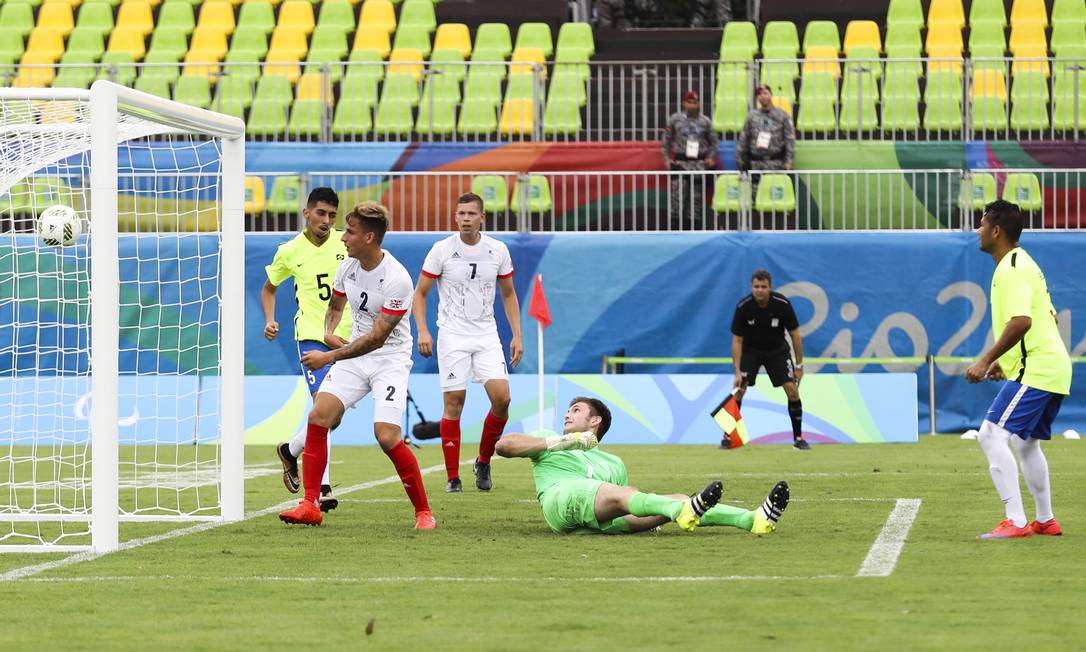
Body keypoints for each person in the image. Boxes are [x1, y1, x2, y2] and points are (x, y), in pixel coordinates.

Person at [278, 201, 436, 529]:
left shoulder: (397, 279)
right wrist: (328, 332)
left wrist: (329, 354)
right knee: (319, 416)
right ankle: (310, 505)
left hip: (388, 360)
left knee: (387, 436)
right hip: (354, 354)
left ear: (369, 238)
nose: (343, 237)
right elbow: (336, 305)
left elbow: (378, 339)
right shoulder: (347, 267)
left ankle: (424, 512)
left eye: (349, 231)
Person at [496, 396, 790, 535]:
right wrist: (563, 442)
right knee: (620, 493)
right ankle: (681, 511)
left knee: (673, 499)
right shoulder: (550, 438)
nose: (567, 416)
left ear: (595, 421)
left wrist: (655, 518)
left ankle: (751, 519)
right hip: (560, 504)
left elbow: (626, 504)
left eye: (576, 411)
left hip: (602, 524)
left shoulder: (613, 462)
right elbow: (504, 446)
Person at [966, 200, 1071, 539]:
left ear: (996, 230)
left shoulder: (1010, 267)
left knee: (990, 434)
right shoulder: (1025, 263)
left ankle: (1016, 520)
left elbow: (1022, 322)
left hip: (1038, 368)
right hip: (1052, 367)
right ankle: (1045, 519)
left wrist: (985, 360)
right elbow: (1048, 317)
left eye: (982, 225)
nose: (978, 231)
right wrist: (1004, 362)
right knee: (1026, 445)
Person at [413, 193, 524, 493]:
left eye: (470, 214)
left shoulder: (497, 250)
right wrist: (423, 330)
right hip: (452, 335)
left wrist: (517, 334)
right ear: (455, 216)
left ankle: (483, 461)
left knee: (502, 399)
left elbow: (509, 293)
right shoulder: (442, 250)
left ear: (481, 217)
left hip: (486, 334)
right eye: (460, 213)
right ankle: (452, 478)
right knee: (454, 404)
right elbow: (419, 293)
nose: (464, 219)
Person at [261, 187, 348, 512]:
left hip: (348, 340)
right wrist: (270, 319)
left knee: (333, 417)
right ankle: (322, 487)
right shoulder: (289, 251)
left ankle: (291, 450)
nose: (326, 221)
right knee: (322, 410)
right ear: (307, 213)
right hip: (312, 336)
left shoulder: (346, 243)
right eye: (321, 213)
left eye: (332, 216)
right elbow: (269, 288)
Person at [730, 269, 809, 450]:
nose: (759, 290)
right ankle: (729, 436)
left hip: (777, 351)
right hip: (750, 351)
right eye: (756, 286)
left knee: (792, 390)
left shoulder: (782, 304)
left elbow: (795, 335)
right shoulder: (744, 306)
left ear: (769, 287)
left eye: (763, 287)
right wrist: (737, 371)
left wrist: (799, 366)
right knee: (738, 390)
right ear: (752, 287)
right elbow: (737, 340)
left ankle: (798, 438)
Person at [661, 89, 719, 228]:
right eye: (689, 102)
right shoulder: (675, 119)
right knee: (677, 201)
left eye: (695, 102)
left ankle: (694, 231)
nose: (692, 105)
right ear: (683, 103)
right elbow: (666, 140)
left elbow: (714, 142)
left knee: (695, 204)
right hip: (680, 164)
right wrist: (666, 158)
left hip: (698, 165)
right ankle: (675, 231)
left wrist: (711, 157)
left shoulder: (705, 121)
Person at [737, 84, 796, 191]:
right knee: (755, 197)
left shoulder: (782, 115)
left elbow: (790, 139)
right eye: (759, 94)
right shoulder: (752, 116)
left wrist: (789, 161)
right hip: (755, 164)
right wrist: (740, 158)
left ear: (771, 94)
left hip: (776, 164)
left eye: (765, 93)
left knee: (774, 199)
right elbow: (744, 138)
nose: (762, 96)